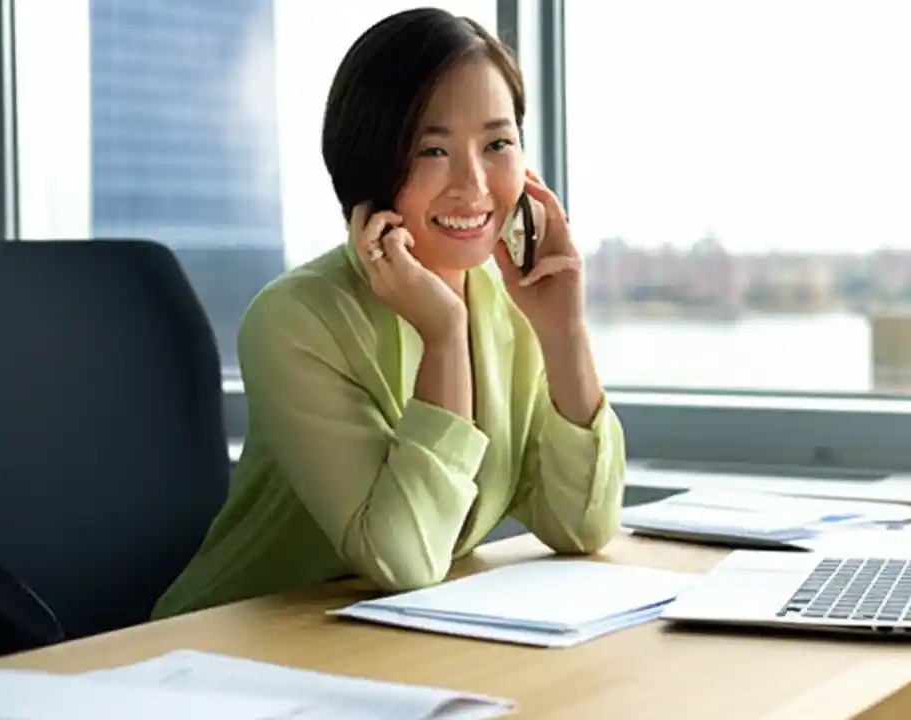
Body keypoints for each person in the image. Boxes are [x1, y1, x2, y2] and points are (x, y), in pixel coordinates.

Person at [152, 8, 625, 619]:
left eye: (497, 143)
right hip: (229, 661)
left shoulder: (510, 307)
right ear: (370, 165)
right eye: (432, 149)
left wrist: (564, 336)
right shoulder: (294, 320)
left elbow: (580, 525)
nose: (474, 184)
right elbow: (404, 560)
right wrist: (445, 336)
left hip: (395, 658)